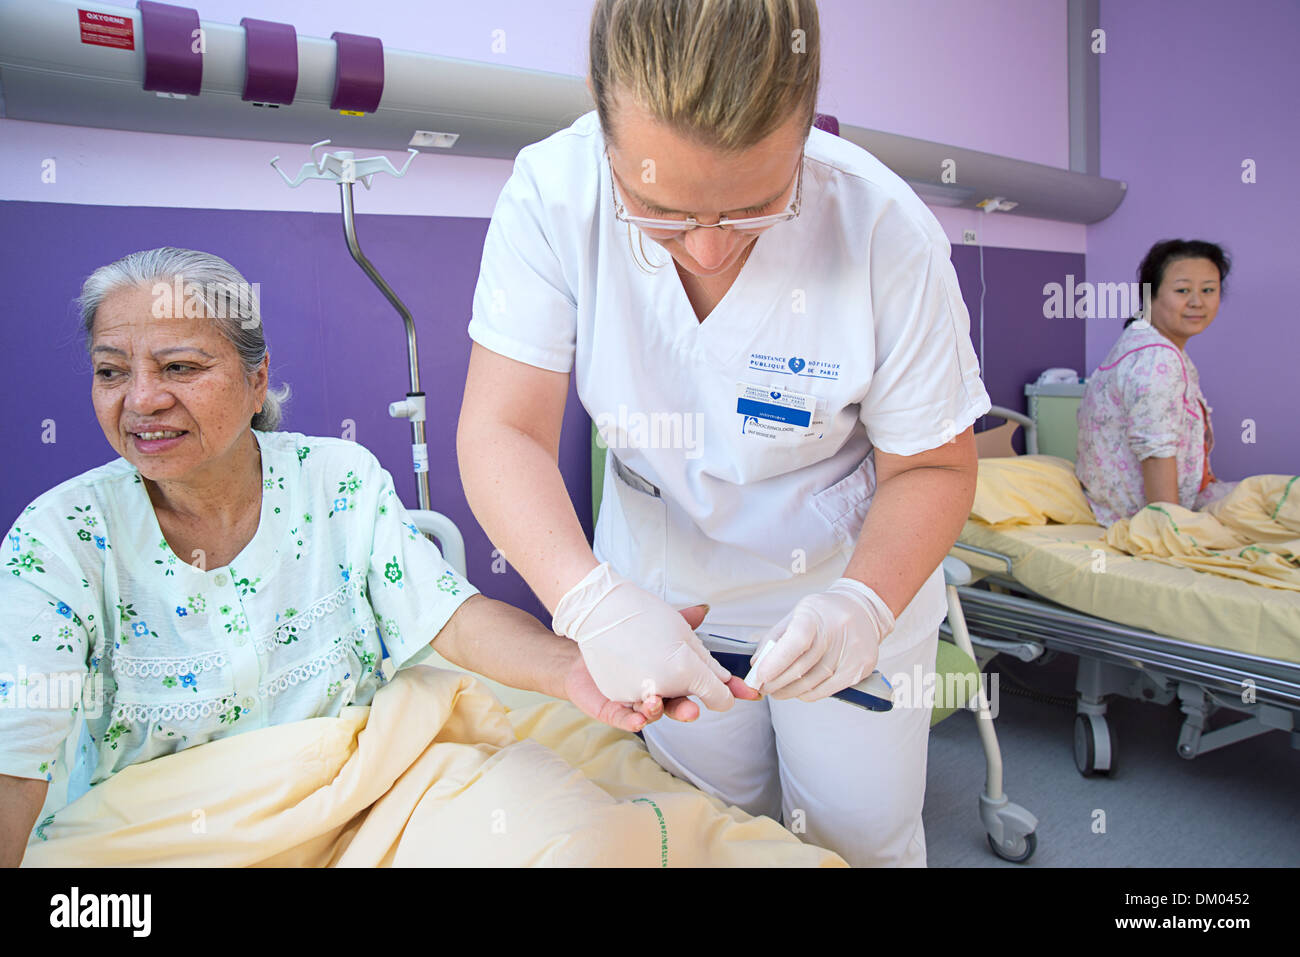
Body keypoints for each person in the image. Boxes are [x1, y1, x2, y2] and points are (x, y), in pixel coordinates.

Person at [457, 0, 990, 866]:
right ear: (602, 123)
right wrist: (584, 597)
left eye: (752, 209)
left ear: (809, 126)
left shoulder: (885, 231)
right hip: (660, 586)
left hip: (847, 573)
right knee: (702, 825)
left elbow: (932, 466)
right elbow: (501, 430)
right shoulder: (553, 195)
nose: (706, 252)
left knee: (859, 836)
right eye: (657, 209)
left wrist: (863, 603)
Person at [0, 246, 675, 868]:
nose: (142, 399)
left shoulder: (336, 480)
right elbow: (15, 749)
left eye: (180, 366)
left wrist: (575, 668)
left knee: (579, 840)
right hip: (163, 835)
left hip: (366, 796)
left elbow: (450, 615)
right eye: (112, 371)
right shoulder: (62, 537)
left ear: (256, 378)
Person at [1076, 239, 1237, 526]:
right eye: (1182, 290)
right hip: (1142, 517)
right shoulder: (1155, 359)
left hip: (1167, 505)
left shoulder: (1150, 345)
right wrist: (1170, 532)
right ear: (1151, 295)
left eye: (1208, 290)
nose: (1197, 302)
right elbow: (1155, 452)